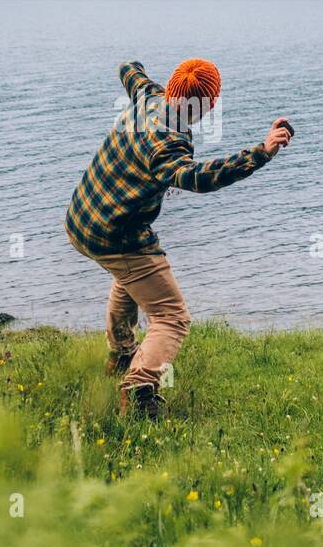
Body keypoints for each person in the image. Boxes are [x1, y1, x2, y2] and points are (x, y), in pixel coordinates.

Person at [65, 58, 292, 417]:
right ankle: (138, 391)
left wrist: (134, 67)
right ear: (210, 105)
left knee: (130, 277)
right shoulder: (169, 144)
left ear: (170, 85)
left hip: (80, 218)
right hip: (115, 235)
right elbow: (198, 178)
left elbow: (128, 69)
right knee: (172, 317)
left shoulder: (146, 96)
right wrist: (261, 153)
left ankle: (121, 354)